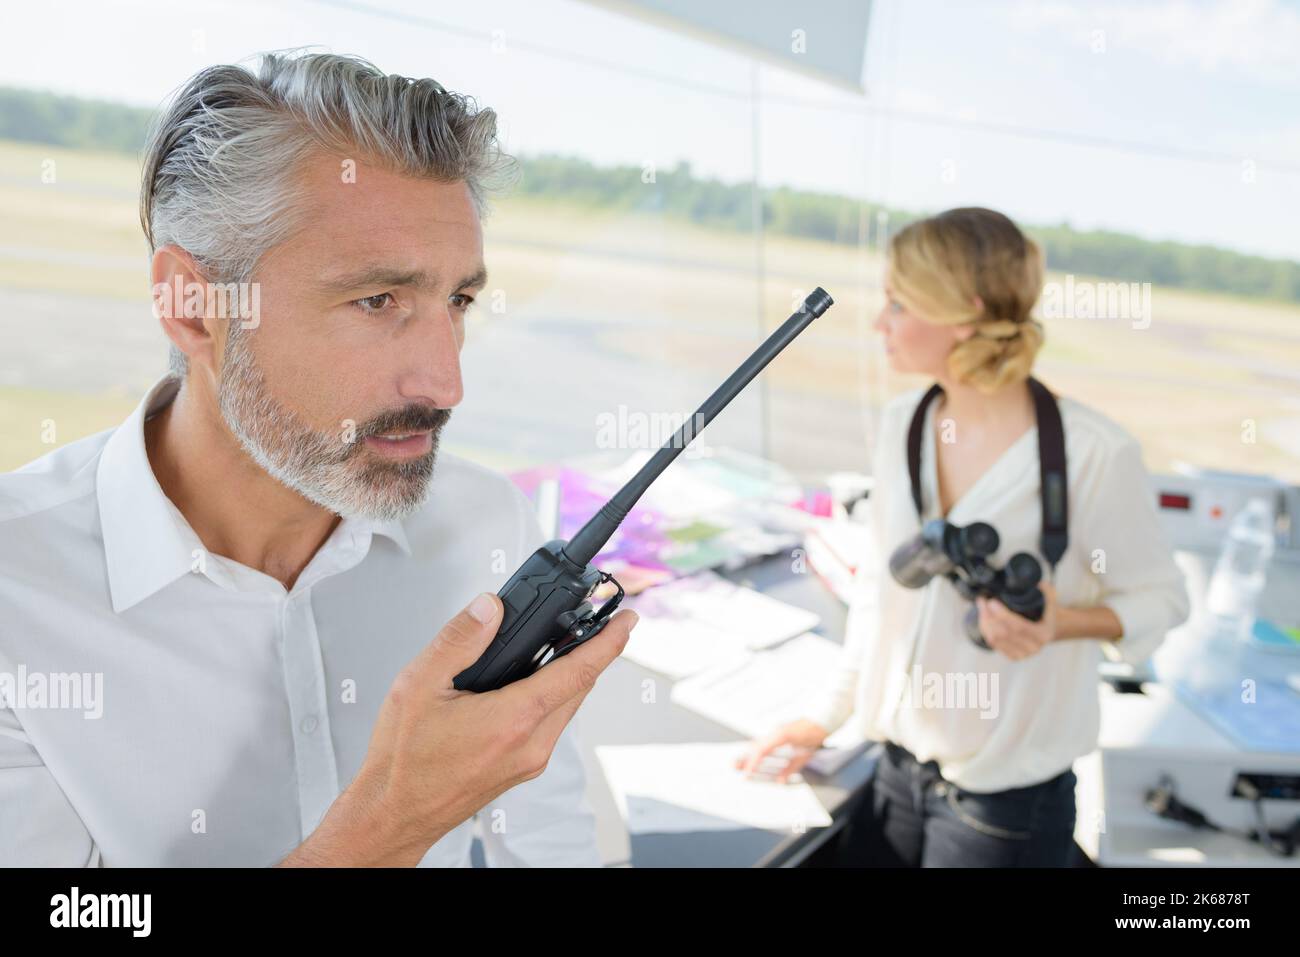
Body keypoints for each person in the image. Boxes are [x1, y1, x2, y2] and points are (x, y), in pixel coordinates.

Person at [0, 52, 637, 867]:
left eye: (458, 301)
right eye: (377, 301)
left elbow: (553, 841)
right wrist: (389, 826)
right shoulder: (18, 593)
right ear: (193, 307)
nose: (447, 383)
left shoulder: (485, 525)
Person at [739, 207, 1189, 866]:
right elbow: (879, 597)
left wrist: (1059, 621)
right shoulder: (905, 424)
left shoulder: (1095, 454)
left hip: (1005, 806)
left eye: (896, 303)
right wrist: (825, 716)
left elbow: (1162, 600)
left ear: (964, 314)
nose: (878, 322)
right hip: (896, 771)